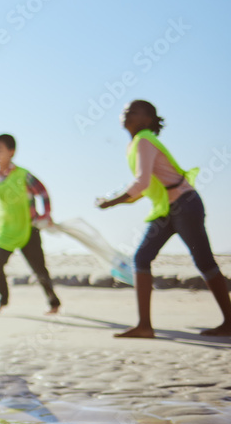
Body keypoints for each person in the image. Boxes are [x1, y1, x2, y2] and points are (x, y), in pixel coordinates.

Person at [97, 100, 231, 338]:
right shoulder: (136, 144)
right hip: (168, 208)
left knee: (203, 261)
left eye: (134, 111)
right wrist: (114, 201)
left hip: (184, 204)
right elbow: (145, 188)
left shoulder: (145, 139)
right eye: (125, 111)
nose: (126, 114)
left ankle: (229, 322)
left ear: (148, 119)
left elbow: (141, 183)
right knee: (142, 258)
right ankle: (144, 326)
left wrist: (112, 202)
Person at [0, 133, 61, 315]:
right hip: (6, 232)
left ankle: (53, 301)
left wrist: (46, 214)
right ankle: (2, 299)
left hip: (28, 228)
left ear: (12, 152)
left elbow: (43, 192)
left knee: (39, 268)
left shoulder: (23, 175)